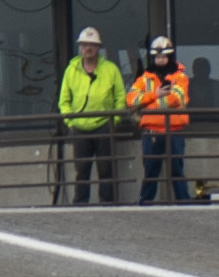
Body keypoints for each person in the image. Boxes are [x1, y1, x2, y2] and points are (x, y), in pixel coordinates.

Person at [57, 24, 129, 204]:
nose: (88, 48)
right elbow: (64, 100)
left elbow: (120, 97)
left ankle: (107, 202)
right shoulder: (71, 70)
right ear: (80, 47)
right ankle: (80, 203)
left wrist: (115, 120)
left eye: (92, 45)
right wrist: (70, 122)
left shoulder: (110, 69)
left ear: (98, 48)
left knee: (106, 168)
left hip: (104, 125)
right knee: (81, 169)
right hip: (79, 127)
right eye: (84, 44)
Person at [130, 35, 193, 204]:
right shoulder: (145, 77)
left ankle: (184, 204)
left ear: (170, 56)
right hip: (151, 132)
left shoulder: (180, 77)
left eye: (163, 56)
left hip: (174, 131)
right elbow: (131, 99)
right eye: (157, 56)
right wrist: (155, 94)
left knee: (177, 172)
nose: (160, 59)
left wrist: (146, 107)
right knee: (150, 172)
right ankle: (145, 204)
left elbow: (175, 99)